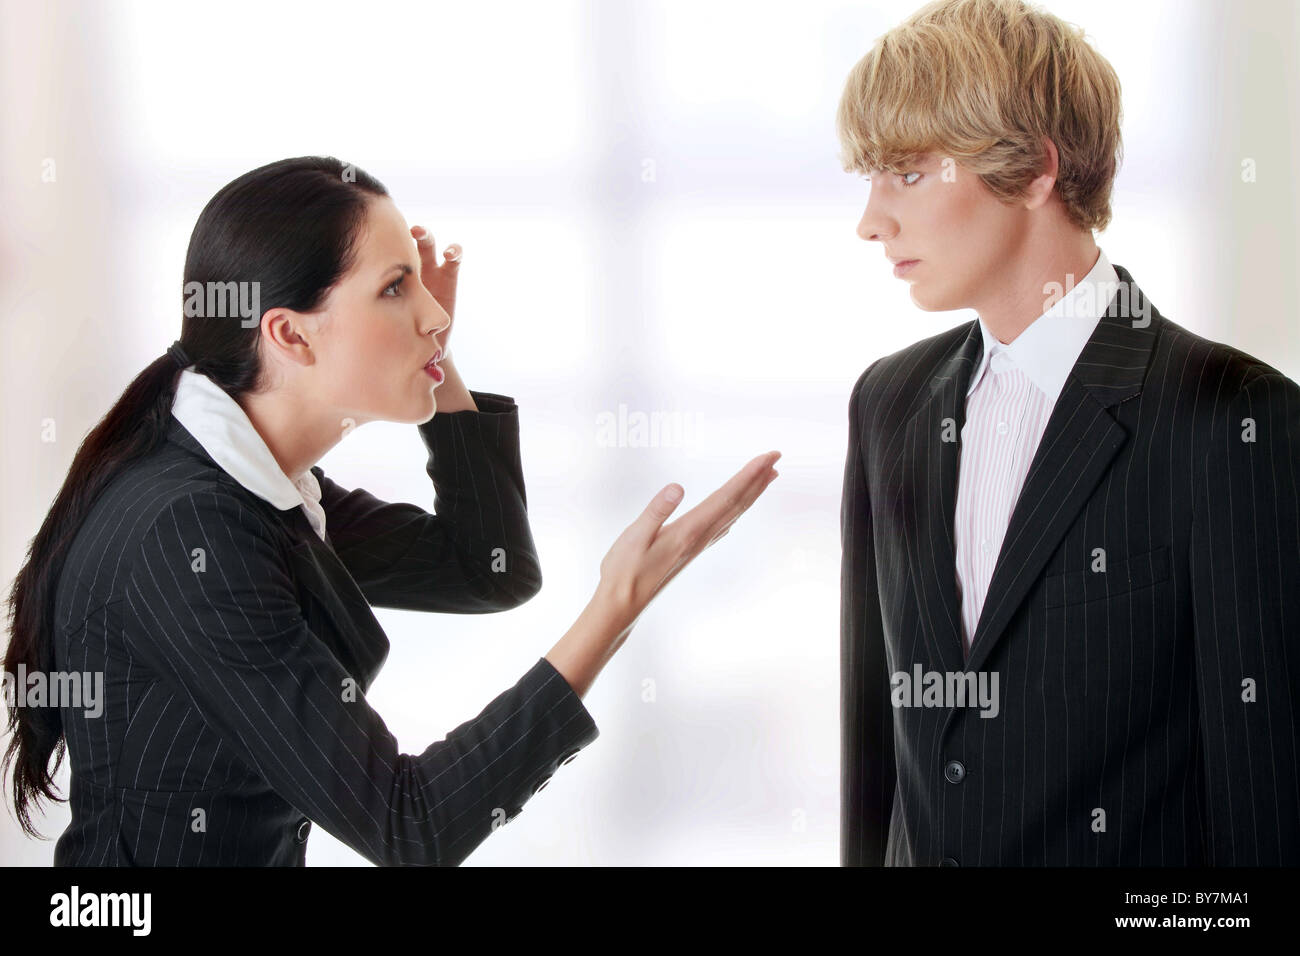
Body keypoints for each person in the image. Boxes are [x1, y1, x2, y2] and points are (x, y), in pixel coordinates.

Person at [2, 155, 780, 866]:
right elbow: (412, 828)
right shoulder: (191, 531)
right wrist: (617, 606)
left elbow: (487, 570)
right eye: (394, 288)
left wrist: (432, 357)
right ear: (290, 336)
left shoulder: (251, 480)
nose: (437, 312)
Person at [837, 0, 1300, 865]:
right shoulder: (888, 405)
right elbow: (878, 760)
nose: (870, 220)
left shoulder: (1233, 416)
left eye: (905, 173)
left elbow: (1267, 808)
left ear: (1035, 171)